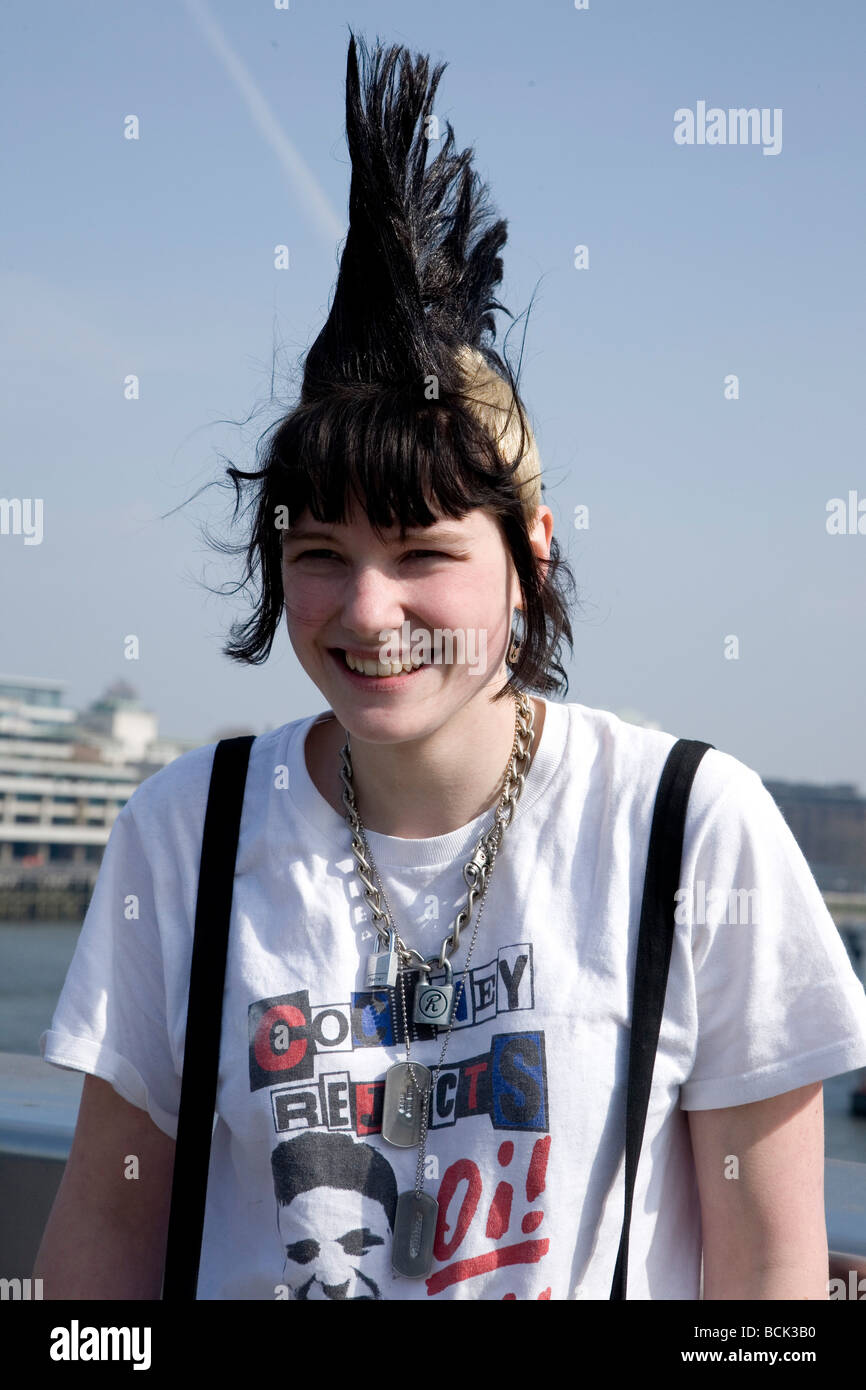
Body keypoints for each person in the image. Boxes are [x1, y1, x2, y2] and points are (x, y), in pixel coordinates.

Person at [35, 31, 866, 1302]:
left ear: (529, 549)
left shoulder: (685, 827)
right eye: (317, 551)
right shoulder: (184, 833)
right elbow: (103, 1248)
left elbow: (765, 1281)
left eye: (422, 549)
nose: (368, 614)